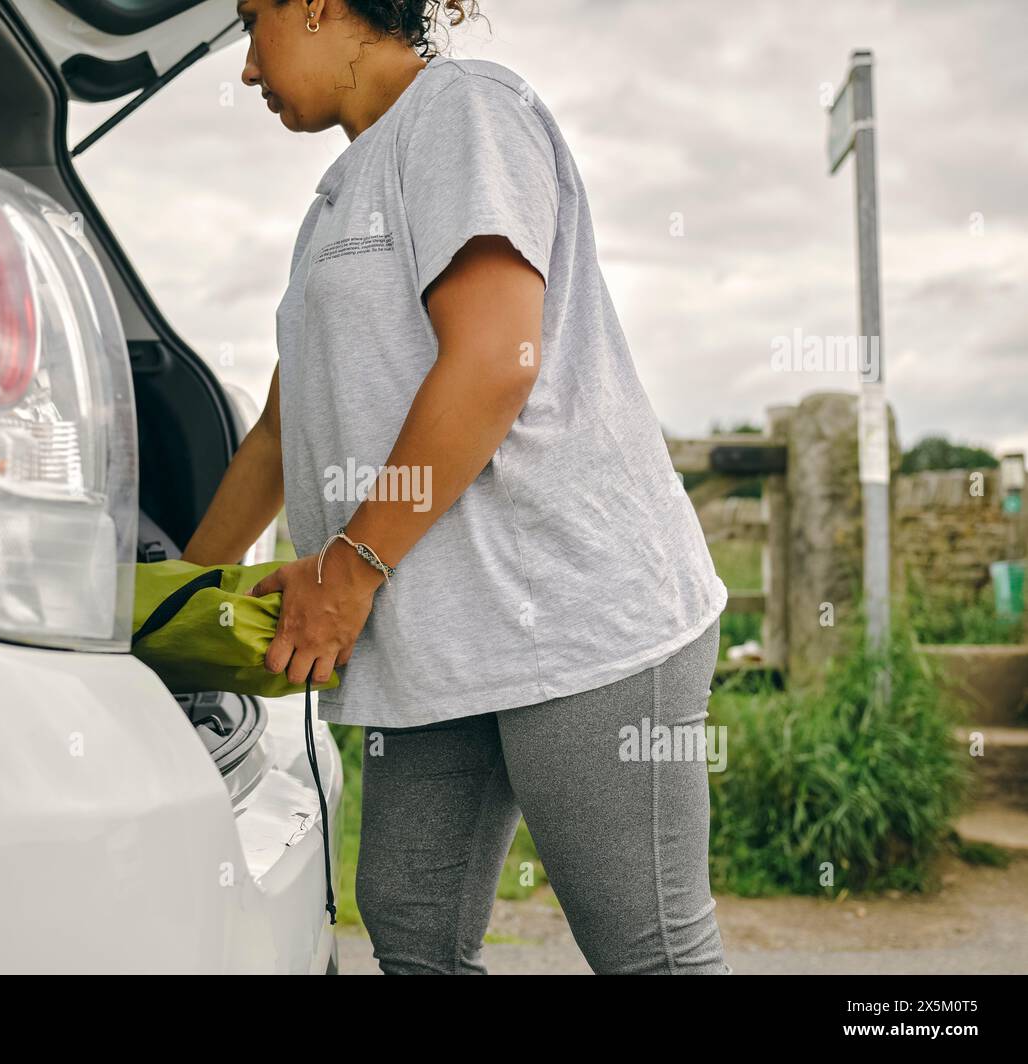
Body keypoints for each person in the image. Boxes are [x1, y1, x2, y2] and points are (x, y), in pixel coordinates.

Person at [181, 0, 732, 974]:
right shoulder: (334, 197)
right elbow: (278, 431)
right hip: (437, 645)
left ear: (315, 4)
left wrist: (345, 571)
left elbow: (494, 357)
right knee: (412, 932)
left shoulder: (465, 110)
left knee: (648, 954)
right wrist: (176, 607)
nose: (245, 68)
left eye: (249, 19)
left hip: (576, 616)